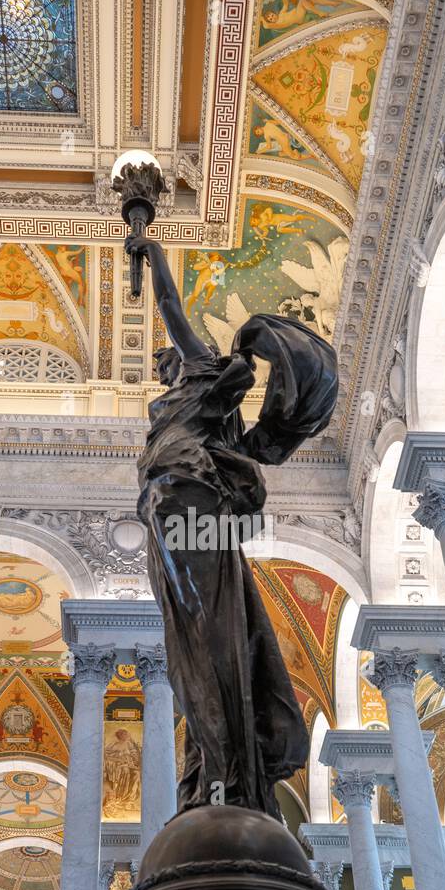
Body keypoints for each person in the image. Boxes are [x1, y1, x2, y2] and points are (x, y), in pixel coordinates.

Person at [127, 232, 336, 819]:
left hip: (187, 499)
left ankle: (224, 775)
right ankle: (215, 772)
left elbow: (170, 308)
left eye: (168, 357)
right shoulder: (197, 407)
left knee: (208, 635)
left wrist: (153, 251)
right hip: (168, 507)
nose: (163, 361)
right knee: (193, 641)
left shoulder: (202, 374)